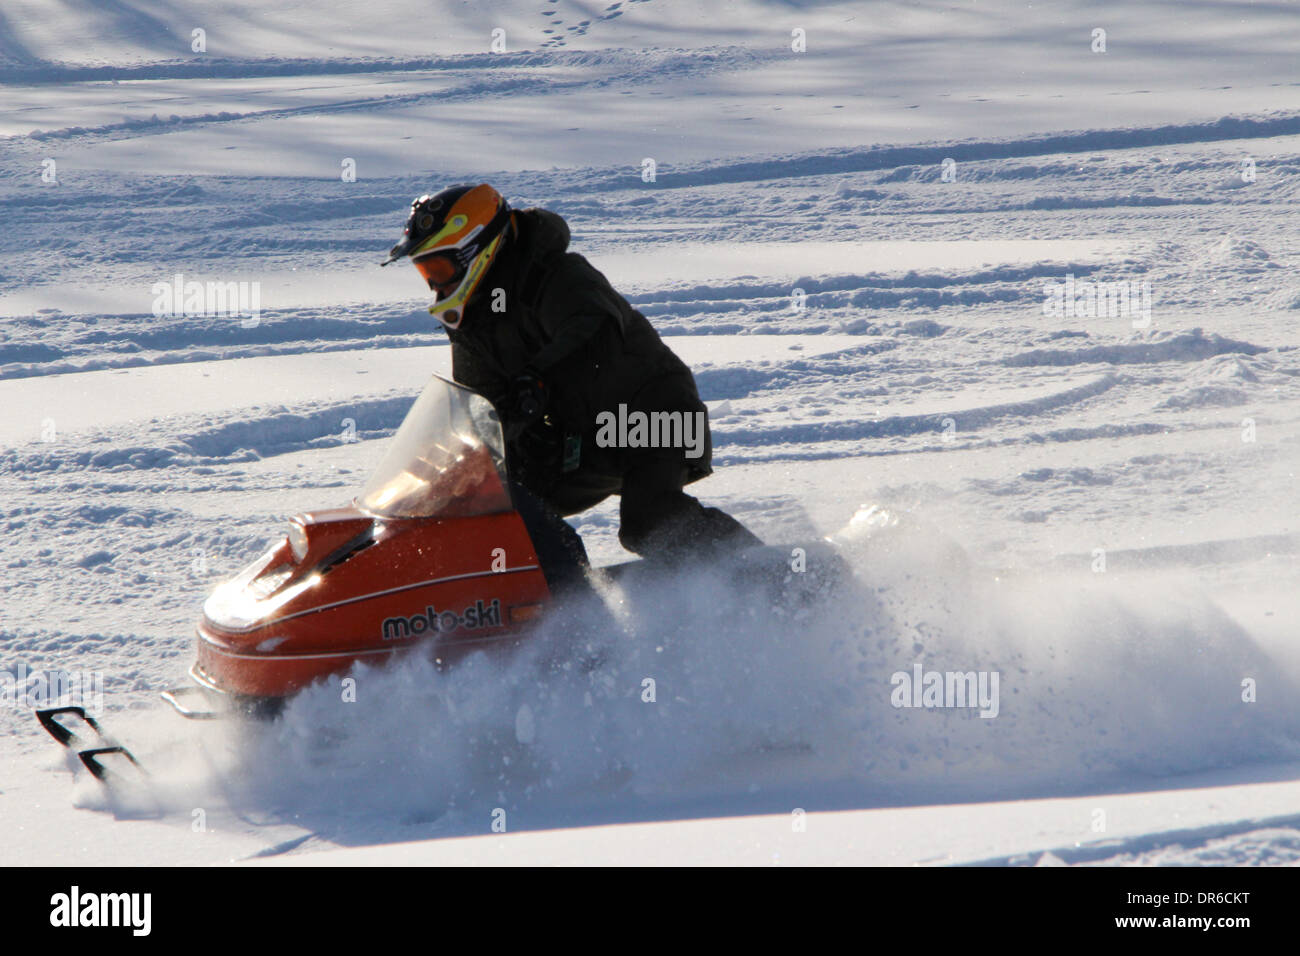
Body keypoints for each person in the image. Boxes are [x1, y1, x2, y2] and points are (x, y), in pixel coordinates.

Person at [382, 182, 760, 584]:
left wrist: (537, 380)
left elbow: (592, 332)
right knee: (492, 496)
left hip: (652, 414)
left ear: (476, 248)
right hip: (580, 435)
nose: (435, 284)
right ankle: (524, 592)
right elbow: (480, 402)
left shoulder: (557, 273)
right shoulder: (473, 320)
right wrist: (463, 458)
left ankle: (765, 573)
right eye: (426, 273)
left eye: (438, 269)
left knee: (650, 522)